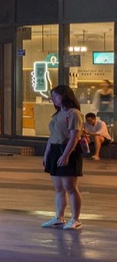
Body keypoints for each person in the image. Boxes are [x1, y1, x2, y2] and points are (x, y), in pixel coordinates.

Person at [43, 84, 85, 229]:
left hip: (67, 150)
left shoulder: (73, 114)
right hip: (55, 149)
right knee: (58, 187)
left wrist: (66, 155)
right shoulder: (58, 114)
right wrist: (47, 154)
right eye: (52, 96)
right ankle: (59, 217)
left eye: (56, 95)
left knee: (70, 187)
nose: (53, 98)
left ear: (65, 96)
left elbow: (74, 137)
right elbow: (51, 136)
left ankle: (75, 219)